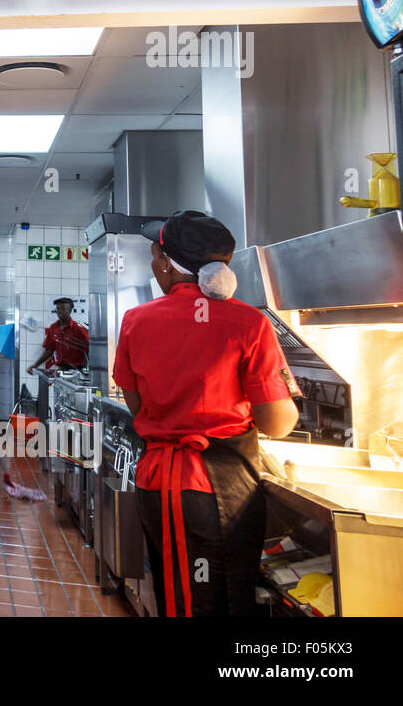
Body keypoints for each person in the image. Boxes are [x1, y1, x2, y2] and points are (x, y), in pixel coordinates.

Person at [113, 210, 300, 617]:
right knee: (223, 598)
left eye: (154, 255)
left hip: (158, 485)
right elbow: (278, 422)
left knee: (180, 597)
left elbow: (138, 404)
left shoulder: (135, 321)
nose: (153, 264)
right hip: (220, 487)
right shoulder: (250, 323)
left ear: (165, 264)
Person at [26, 297, 90, 374]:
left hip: (78, 371)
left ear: (70, 311)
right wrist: (35, 365)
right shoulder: (53, 328)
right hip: (62, 370)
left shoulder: (79, 329)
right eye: (58, 308)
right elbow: (49, 350)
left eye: (63, 309)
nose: (59, 311)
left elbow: (91, 349)